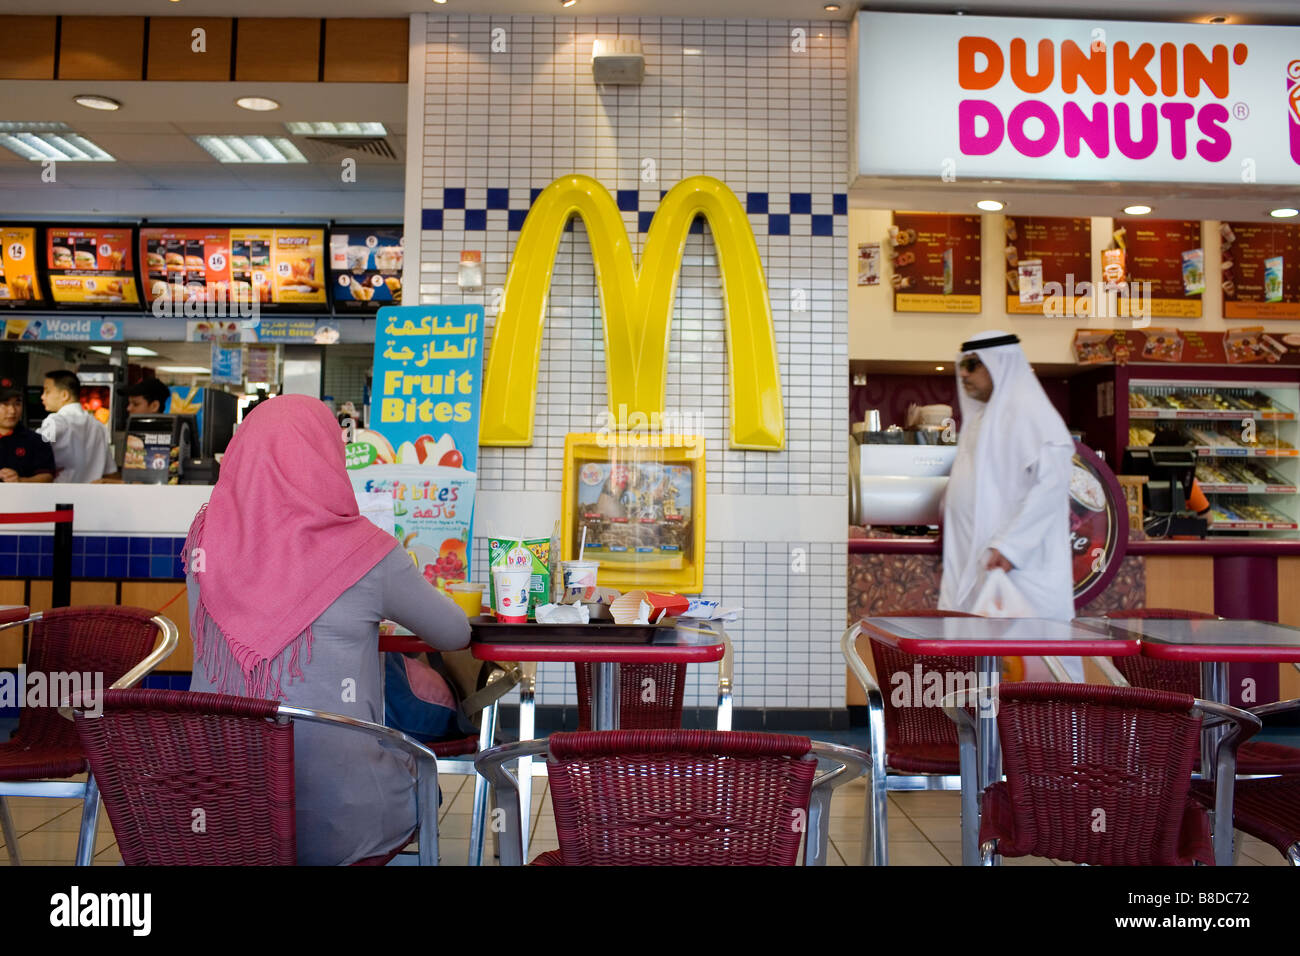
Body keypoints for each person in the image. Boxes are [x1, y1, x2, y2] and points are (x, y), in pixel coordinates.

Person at [183, 394, 470, 865]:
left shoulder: (204, 541)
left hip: (221, 815)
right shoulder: (368, 550)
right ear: (327, 458)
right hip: (342, 824)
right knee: (420, 775)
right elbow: (454, 633)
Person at [939, 331, 1079, 676]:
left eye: (974, 365)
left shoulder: (1030, 412)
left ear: (999, 364)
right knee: (983, 670)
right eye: (962, 365)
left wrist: (1012, 546)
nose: (964, 374)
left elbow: (1052, 484)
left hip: (1021, 568)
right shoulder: (982, 420)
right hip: (978, 563)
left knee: (1041, 670)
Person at [38, 370, 115, 483]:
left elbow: (34, 450)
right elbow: (110, 472)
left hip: (60, 492)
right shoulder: (98, 426)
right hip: (92, 492)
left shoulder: (56, 421)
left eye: (47, 392)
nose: (42, 397)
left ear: (64, 395)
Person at [0, 387, 55, 482]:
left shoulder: (37, 441)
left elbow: (47, 477)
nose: (12, 411)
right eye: (5, 404)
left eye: (17, 404)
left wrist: (20, 481)